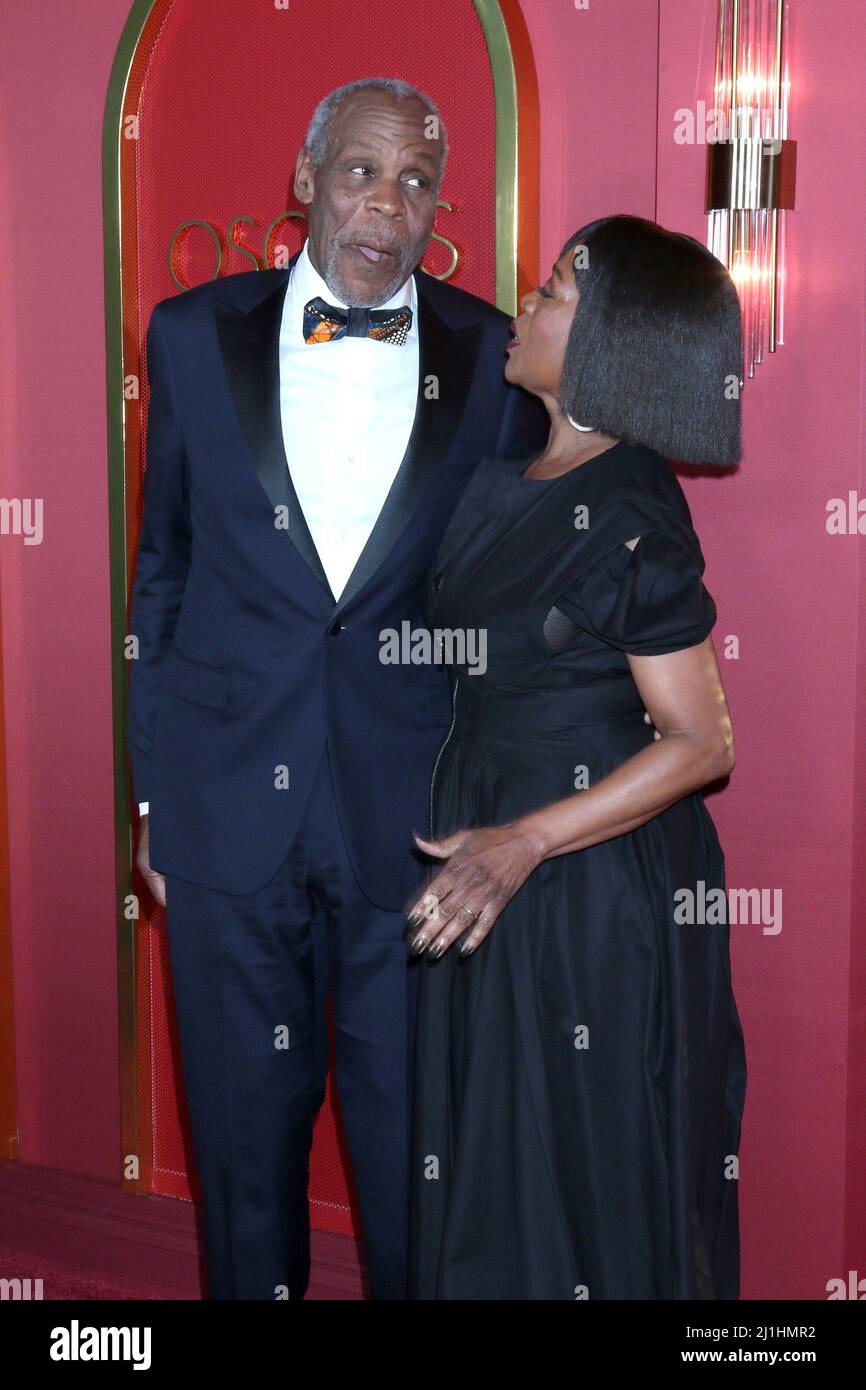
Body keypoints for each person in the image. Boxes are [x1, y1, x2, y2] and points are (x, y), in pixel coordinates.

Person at [128, 76, 546, 1301]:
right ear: (306, 182)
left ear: (437, 210)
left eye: (416, 182)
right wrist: (155, 800)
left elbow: (509, 615)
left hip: (413, 826)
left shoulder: (493, 358)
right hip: (221, 819)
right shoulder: (189, 332)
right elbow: (163, 576)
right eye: (362, 171)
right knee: (242, 1166)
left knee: (421, 1167)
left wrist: (509, 818)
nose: (387, 203)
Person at [406, 214, 748, 1300]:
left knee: (580, 1169)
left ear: (608, 337)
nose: (527, 301)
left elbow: (700, 744)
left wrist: (525, 842)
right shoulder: (512, 472)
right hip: (490, 857)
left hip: (588, 882)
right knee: (493, 1163)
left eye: (553, 291)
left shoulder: (636, 503)